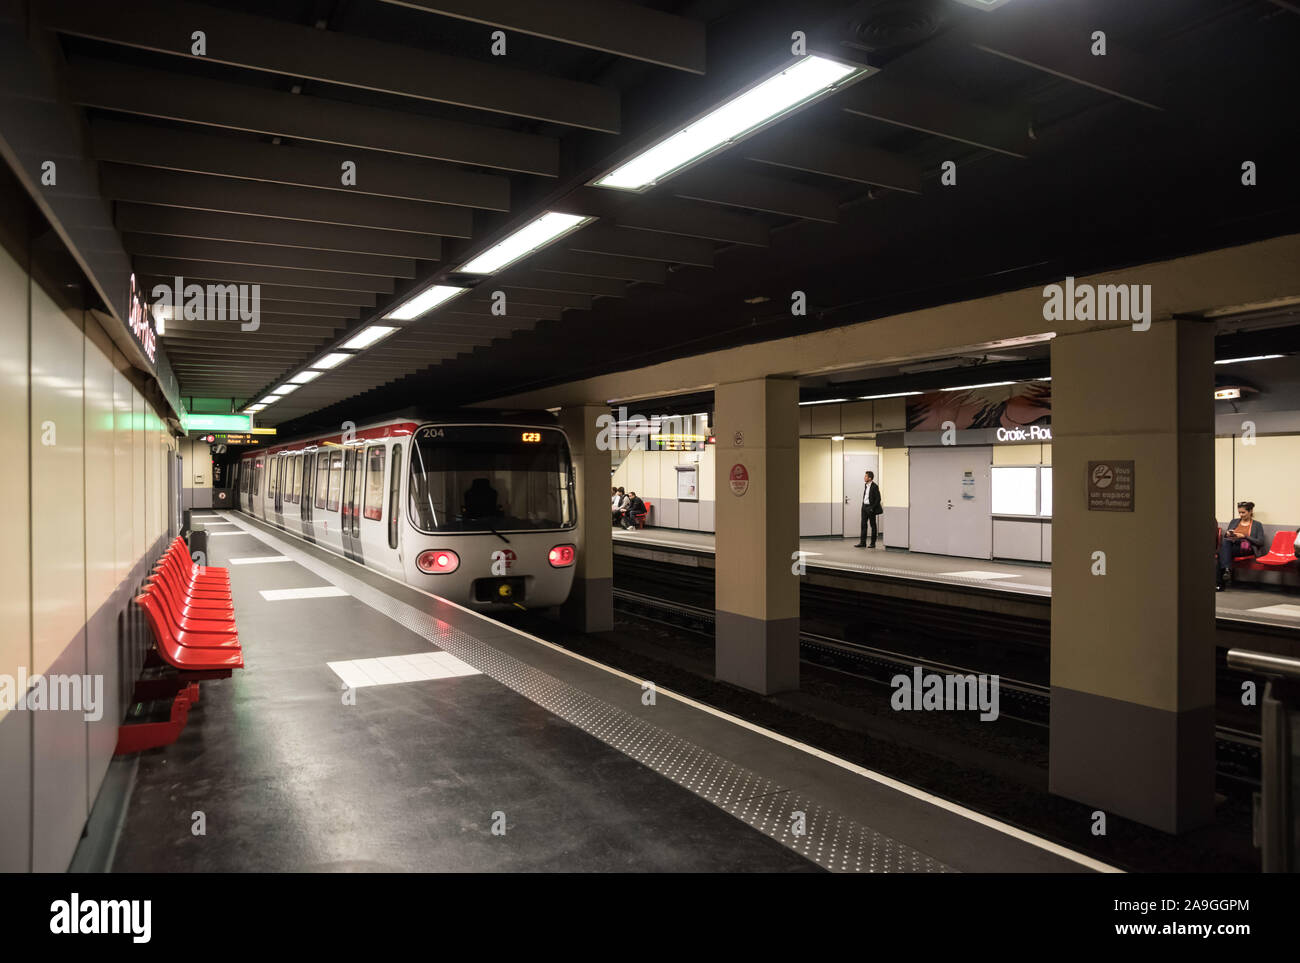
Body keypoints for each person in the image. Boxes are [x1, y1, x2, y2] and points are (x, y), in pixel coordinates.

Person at [1218, 500, 1265, 590]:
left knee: (1222, 553)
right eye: (1239, 512)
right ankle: (1226, 571)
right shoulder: (1234, 521)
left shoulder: (1257, 525)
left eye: (1243, 512)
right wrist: (1228, 534)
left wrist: (1244, 536)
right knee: (1225, 545)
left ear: (1250, 511)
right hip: (1232, 545)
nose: (1241, 515)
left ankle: (1221, 583)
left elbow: (1260, 542)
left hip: (1246, 547)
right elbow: (1226, 536)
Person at [855, 470, 882, 548]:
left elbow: (878, 499)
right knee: (863, 525)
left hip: (870, 508)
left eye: (866, 476)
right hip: (864, 507)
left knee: (873, 525)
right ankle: (862, 543)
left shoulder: (875, 486)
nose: (864, 477)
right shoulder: (866, 485)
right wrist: (863, 505)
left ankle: (873, 543)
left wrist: (872, 508)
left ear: (870, 478)